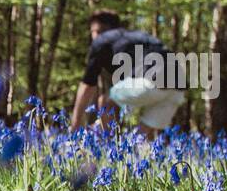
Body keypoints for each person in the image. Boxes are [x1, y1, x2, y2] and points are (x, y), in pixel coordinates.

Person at [70, 10, 183, 139]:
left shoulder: (102, 40)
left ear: (99, 30)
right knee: (142, 136)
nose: (92, 37)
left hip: (153, 79)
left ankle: (105, 146)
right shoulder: (137, 36)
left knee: (106, 101)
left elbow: (87, 87)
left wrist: (76, 124)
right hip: (178, 85)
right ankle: (137, 156)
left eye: (93, 32)